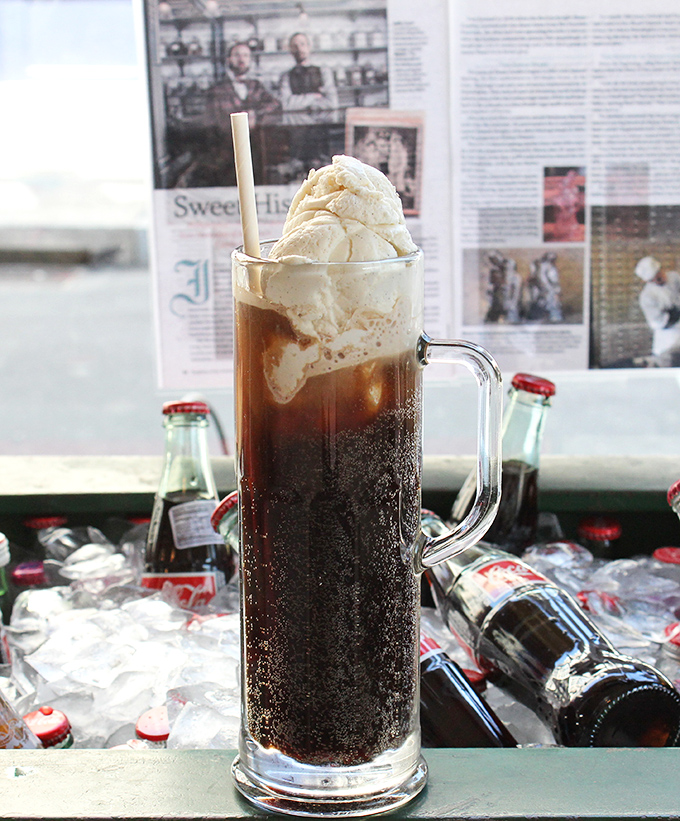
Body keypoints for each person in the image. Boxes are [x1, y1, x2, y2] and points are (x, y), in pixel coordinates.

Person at [205, 42, 281, 129]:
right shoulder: (217, 90)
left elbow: (275, 105)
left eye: (245, 55)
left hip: (256, 138)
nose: (241, 59)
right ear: (228, 59)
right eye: (237, 55)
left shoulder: (256, 85)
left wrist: (255, 114)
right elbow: (211, 122)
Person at [279, 32, 338, 125]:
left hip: (322, 126)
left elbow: (332, 103)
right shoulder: (286, 76)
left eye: (302, 44)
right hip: (296, 129)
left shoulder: (324, 72)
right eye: (295, 46)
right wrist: (314, 97)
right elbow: (285, 105)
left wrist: (297, 102)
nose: (299, 49)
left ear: (309, 47)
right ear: (290, 50)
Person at [634, 255, 680, 367]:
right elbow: (657, 322)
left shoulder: (674, 278)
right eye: (653, 279)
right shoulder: (647, 296)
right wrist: (674, 314)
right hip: (668, 341)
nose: (658, 279)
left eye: (659, 275)